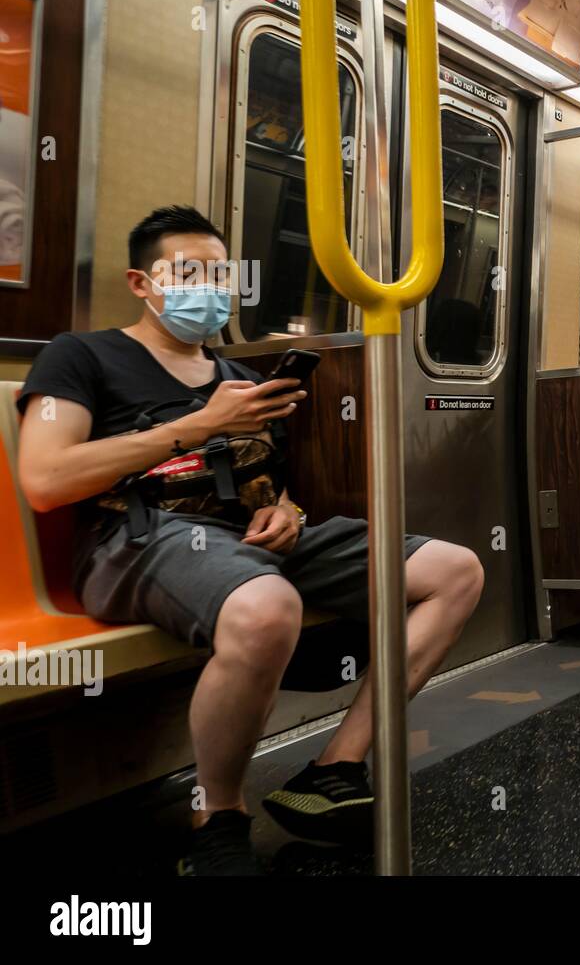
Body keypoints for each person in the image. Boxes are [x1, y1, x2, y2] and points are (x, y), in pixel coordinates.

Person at [16, 206, 485, 875]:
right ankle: (218, 816)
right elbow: (44, 479)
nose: (209, 287)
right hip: (137, 536)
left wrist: (287, 512)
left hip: (245, 541)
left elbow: (269, 483)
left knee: (456, 571)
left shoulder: (241, 380)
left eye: (220, 274)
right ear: (141, 283)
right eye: (188, 273)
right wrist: (197, 425)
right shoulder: (82, 355)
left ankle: (333, 768)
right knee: (268, 606)